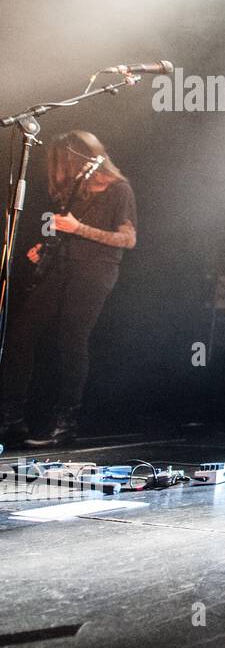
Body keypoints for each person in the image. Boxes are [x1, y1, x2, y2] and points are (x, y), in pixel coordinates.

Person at [1, 130, 138, 448]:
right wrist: (43, 246)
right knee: (21, 334)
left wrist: (80, 229)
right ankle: (12, 421)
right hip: (59, 268)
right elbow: (60, 230)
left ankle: (66, 424)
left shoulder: (120, 189)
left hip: (96, 270)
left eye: (67, 162)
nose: (65, 170)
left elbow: (128, 239)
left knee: (72, 339)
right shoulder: (73, 192)